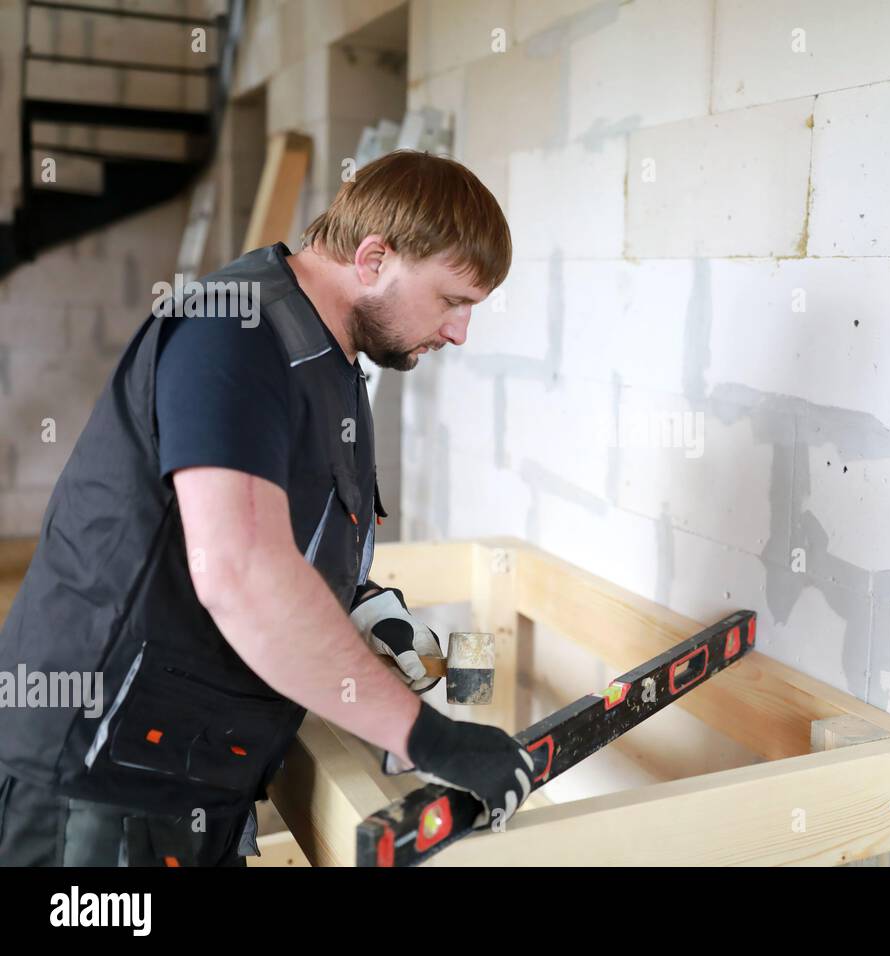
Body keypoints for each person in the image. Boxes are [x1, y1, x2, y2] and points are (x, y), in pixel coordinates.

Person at [0, 150, 533, 866]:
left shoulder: (333, 361)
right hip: (99, 785)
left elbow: (280, 536)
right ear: (373, 259)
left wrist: (363, 606)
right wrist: (431, 737)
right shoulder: (236, 332)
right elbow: (242, 574)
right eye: (451, 300)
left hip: (192, 775)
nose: (461, 332)